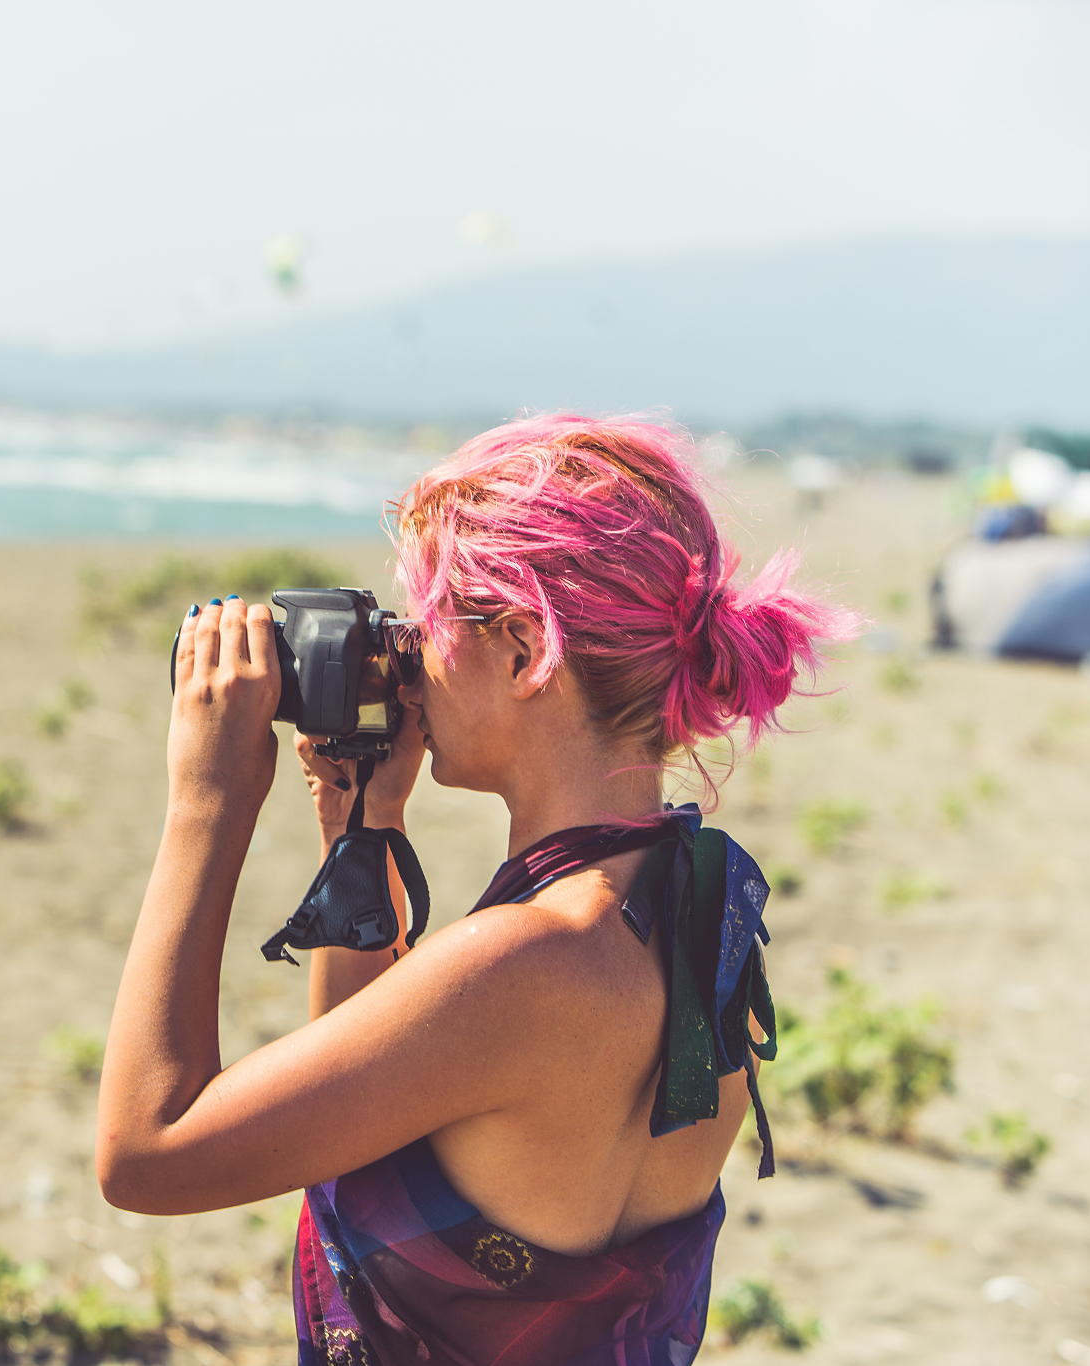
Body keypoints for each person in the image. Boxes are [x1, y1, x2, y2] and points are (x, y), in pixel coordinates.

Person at [95, 415, 858, 1366]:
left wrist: (206, 807)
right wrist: (359, 821)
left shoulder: (529, 962)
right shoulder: (700, 912)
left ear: (524, 647)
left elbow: (146, 1154)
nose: (409, 656)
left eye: (432, 623)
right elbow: (375, 1117)